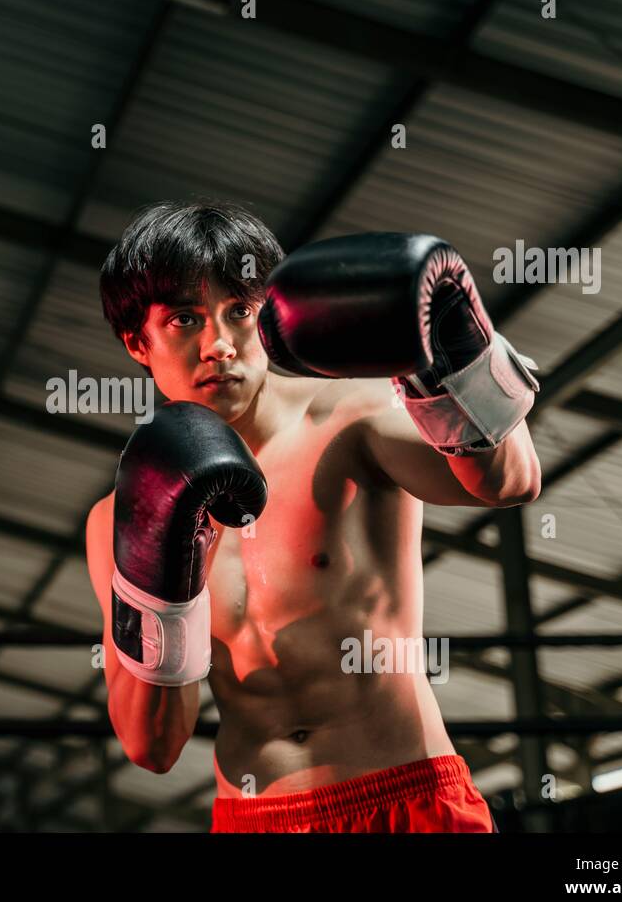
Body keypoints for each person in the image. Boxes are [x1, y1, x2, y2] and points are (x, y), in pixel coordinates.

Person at [85, 201, 542, 832]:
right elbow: (151, 747)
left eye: (239, 312)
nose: (219, 344)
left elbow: (511, 482)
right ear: (139, 341)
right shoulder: (121, 515)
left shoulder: (351, 417)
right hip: (254, 819)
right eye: (186, 319)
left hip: (406, 802)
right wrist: (160, 576)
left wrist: (454, 350)